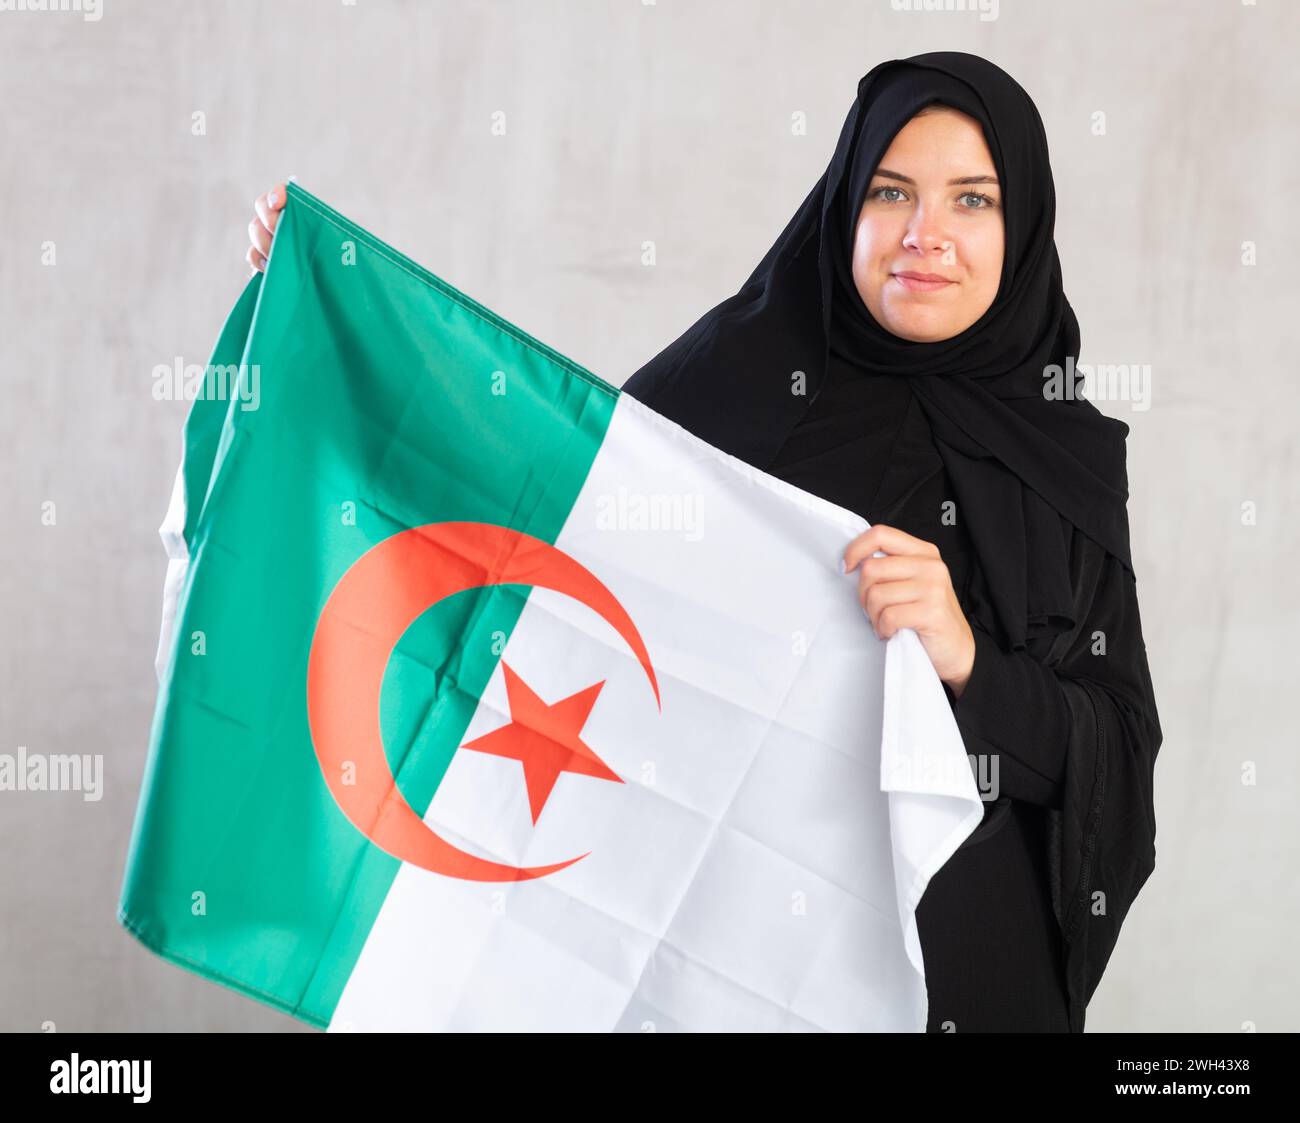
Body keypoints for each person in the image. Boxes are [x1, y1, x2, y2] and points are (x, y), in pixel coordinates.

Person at [241, 51, 1162, 1033]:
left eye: (971, 201)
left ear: (1020, 228)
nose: (925, 235)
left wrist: (968, 662)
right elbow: (528, 523)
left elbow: (1112, 756)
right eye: (890, 191)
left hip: (972, 986)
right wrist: (327, 312)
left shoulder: (1064, 458)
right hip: (728, 970)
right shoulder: (742, 382)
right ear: (841, 202)